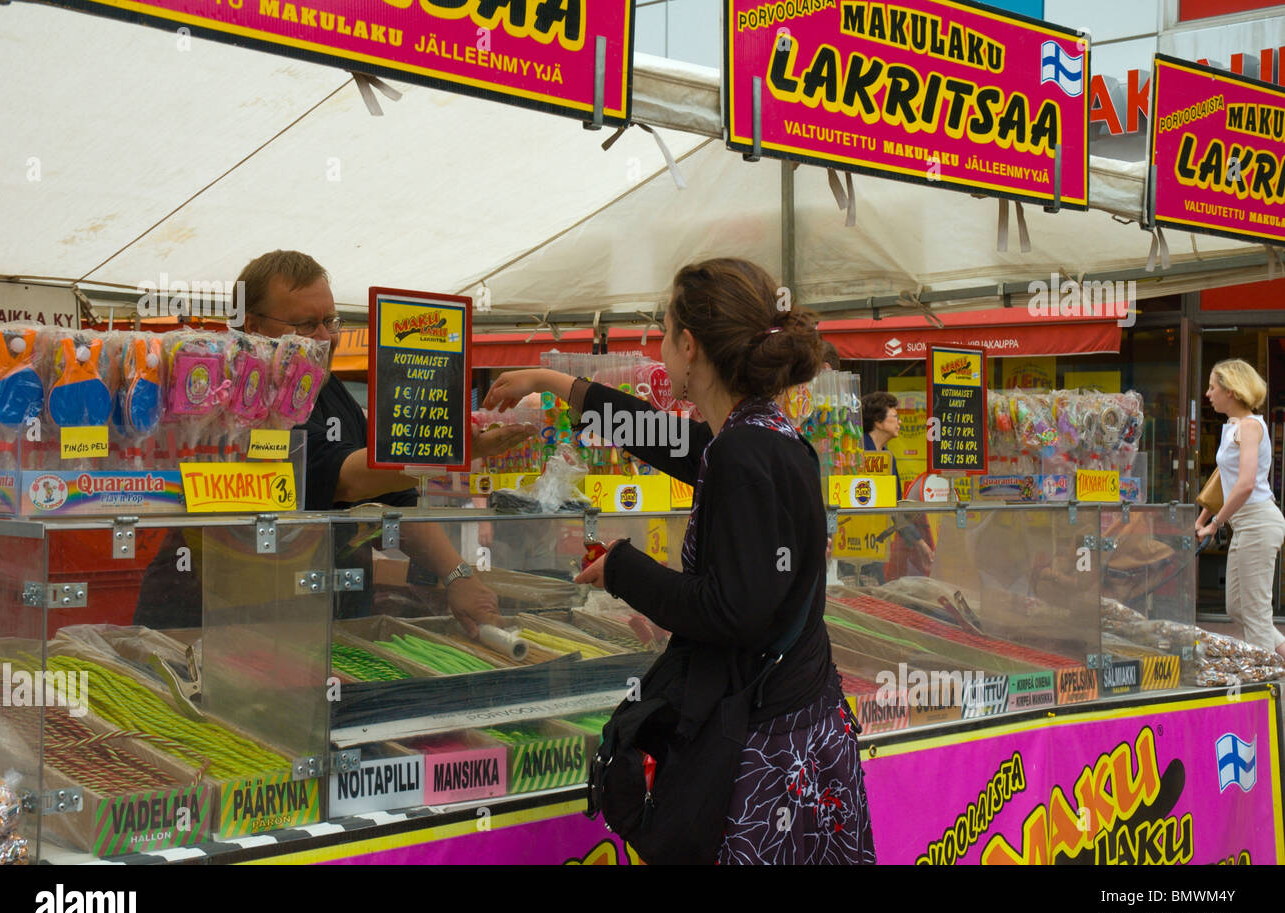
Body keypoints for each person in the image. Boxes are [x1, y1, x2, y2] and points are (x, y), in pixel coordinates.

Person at [485, 257, 874, 865]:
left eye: (664, 335)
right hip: (801, 724)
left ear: (689, 346)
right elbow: (665, 440)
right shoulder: (761, 433)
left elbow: (733, 610)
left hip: (770, 752)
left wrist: (620, 568)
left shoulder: (744, 450)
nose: (660, 350)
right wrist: (552, 381)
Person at [134, 250, 529, 634]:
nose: (325, 338)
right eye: (307, 324)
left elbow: (391, 502)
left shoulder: (331, 390)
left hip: (318, 621)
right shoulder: (234, 396)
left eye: (331, 321)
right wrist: (445, 451)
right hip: (209, 623)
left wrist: (457, 575)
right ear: (251, 326)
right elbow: (344, 478)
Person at [1196, 359, 1285, 658]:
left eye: (1212, 387)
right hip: (1245, 524)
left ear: (1231, 391)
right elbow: (1225, 479)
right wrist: (1203, 517)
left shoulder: (1249, 427)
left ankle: (1264, 683)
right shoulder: (1233, 428)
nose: (1208, 394)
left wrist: (1215, 524)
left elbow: (1245, 484)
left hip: (1258, 521)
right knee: (1237, 607)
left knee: (1256, 612)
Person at [862, 390, 933, 577]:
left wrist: (920, 543)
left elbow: (895, 507)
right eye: (895, 416)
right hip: (853, 545)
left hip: (876, 544)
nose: (900, 422)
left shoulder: (888, 458)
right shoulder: (857, 451)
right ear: (878, 421)